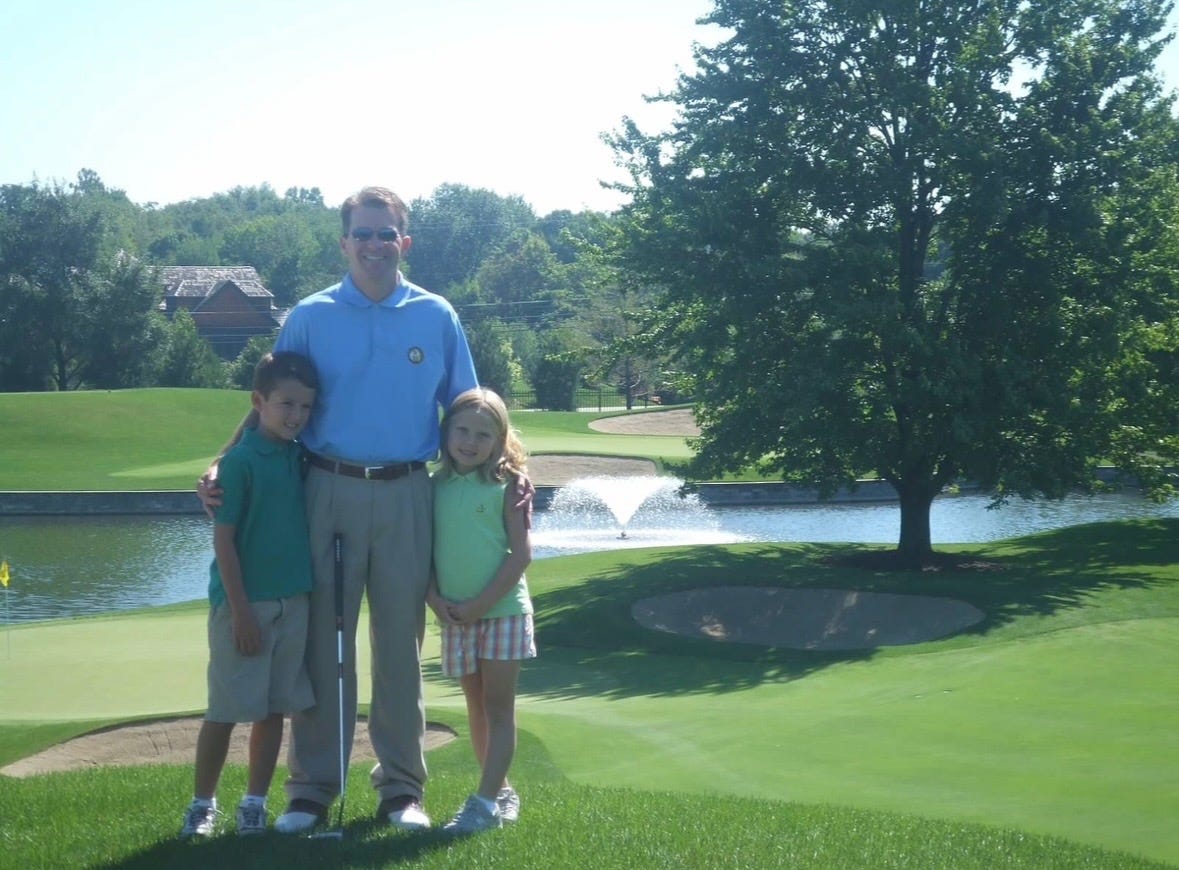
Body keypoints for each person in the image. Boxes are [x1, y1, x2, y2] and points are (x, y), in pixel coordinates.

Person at [198, 186, 528, 834]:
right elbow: (270, 399)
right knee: (323, 642)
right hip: (322, 487)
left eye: (387, 234)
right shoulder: (311, 316)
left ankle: (401, 789)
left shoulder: (435, 315)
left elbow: (474, 410)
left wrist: (515, 470)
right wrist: (222, 459)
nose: (375, 245)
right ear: (344, 242)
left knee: (400, 646)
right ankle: (312, 788)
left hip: (407, 491)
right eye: (363, 234)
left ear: (403, 242)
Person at [180, 351, 319, 838]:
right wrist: (241, 612)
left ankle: (254, 805)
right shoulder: (238, 463)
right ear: (258, 402)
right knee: (225, 711)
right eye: (285, 404)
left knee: (273, 709)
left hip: (293, 601)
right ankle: (202, 806)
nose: (296, 415)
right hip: (244, 604)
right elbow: (225, 540)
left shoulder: (301, 456)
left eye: (305, 406)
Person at [428, 388, 535, 834]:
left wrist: (480, 606)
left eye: (483, 435)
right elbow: (422, 556)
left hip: (502, 611)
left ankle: (483, 802)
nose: (470, 442)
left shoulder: (508, 485)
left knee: (497, 708)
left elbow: (521, 554)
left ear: (500, 439)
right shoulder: (432, 486)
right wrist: (437, 601)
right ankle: (501, 791)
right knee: (475, 707)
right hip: (454, 614)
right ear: (446, 431)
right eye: (463, 430)